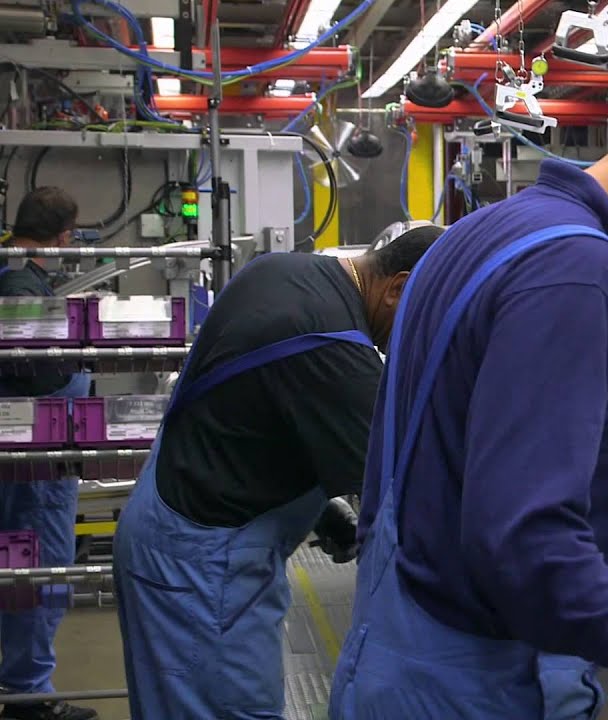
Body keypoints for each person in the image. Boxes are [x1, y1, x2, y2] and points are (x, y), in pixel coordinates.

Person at [329, 81, 608, 720]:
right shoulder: (574, 273)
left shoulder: (480, 232)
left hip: (396, 652)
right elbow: (524, 538)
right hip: (475, 686)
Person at [112, 225, 443, 720]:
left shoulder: (285, 272)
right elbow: (413, 501)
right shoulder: (333, 348)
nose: (422, 342)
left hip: (178, 528)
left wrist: (320, 508)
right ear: (397, 287)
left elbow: (253, 413)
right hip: (201, 569)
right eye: (428, 323)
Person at [0, 188, 97, 720]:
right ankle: (28, 693)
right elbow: (35, 371)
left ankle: (21, 682)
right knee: (39, 569)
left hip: (28, 449)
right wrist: (81, 349)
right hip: (36, 453)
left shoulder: (12, 272)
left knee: (20, 565)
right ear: (62, 237)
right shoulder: (20, 283)